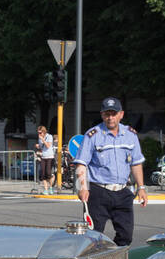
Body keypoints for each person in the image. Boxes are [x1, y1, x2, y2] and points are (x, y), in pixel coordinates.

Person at [74, 97, 148, 247]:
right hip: (98, 192)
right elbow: (81, 164)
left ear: (121, 114)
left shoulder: (130, 135)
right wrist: (82, 187)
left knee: (126, 235)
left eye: (113, 114)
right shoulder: (92, 135)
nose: (110, 118)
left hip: (122, 192)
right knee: (92, 238)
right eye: (107, 114)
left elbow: (136, 163)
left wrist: (141, 188)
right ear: (102, 115)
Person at [35, 124, 56, 195]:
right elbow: (42, 147)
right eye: (38, 132)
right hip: (43, 157)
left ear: (44, 132)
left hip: (50, 157)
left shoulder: (49, 136)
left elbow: (48, 145)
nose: (39, 134)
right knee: (43, 174)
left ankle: (51, 188)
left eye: (40, 132)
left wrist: (42, 140)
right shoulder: (40, 138)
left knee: (48, 173)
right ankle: (46, 190)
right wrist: (38, 146)